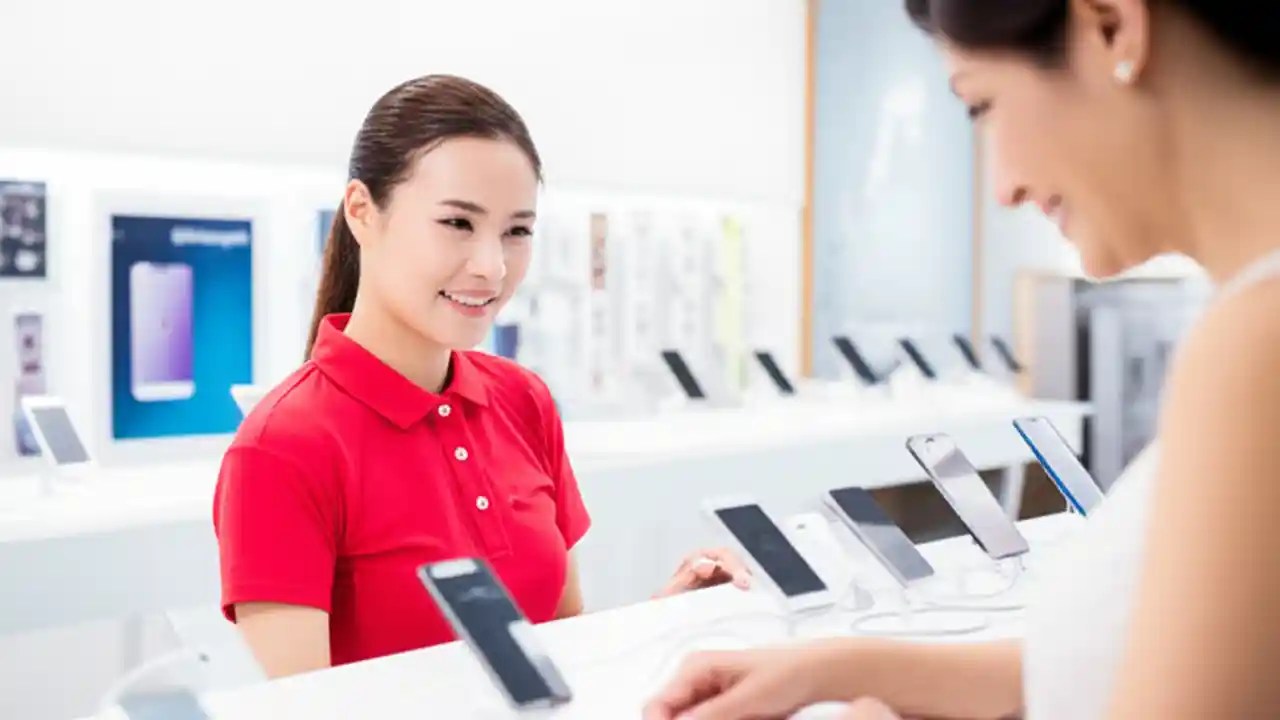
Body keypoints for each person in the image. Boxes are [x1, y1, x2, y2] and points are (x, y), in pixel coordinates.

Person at [644, 1, 1280, 718]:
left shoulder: (1256, 348)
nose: (1003, 188)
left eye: (982, 105)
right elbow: (1114, 665)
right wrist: (835, 667)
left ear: (1110, 25)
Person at [213, 74, 750, 679]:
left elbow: (560, 643)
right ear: (362, 212)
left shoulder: (523, 400)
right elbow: (302, 709)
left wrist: (660, 621)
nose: (492, 268)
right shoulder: (281, 448)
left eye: (517, 231)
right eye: (457, 224)